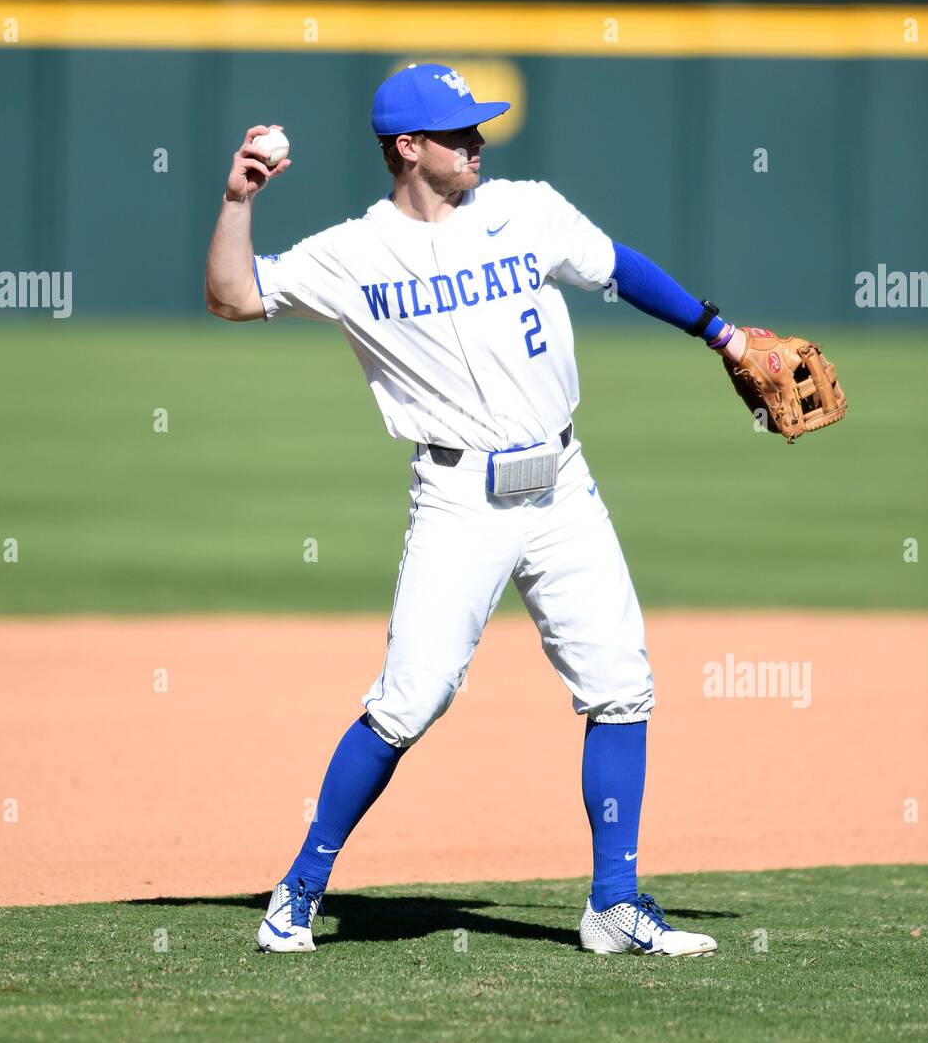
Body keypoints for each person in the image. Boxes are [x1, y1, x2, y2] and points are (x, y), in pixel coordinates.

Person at [205, 63, 747, 957]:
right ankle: (299, 890)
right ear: (408, 150)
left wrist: (718, 331)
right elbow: (232, 296)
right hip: (459, 498)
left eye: (478, 129)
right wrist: (238, 199)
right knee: (409, 702)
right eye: (459, 134)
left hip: (564, 485)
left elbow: (618, 268)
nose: (478, 143)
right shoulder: (351, 253)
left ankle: (615, 904)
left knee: (621, 687)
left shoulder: (527, 208)